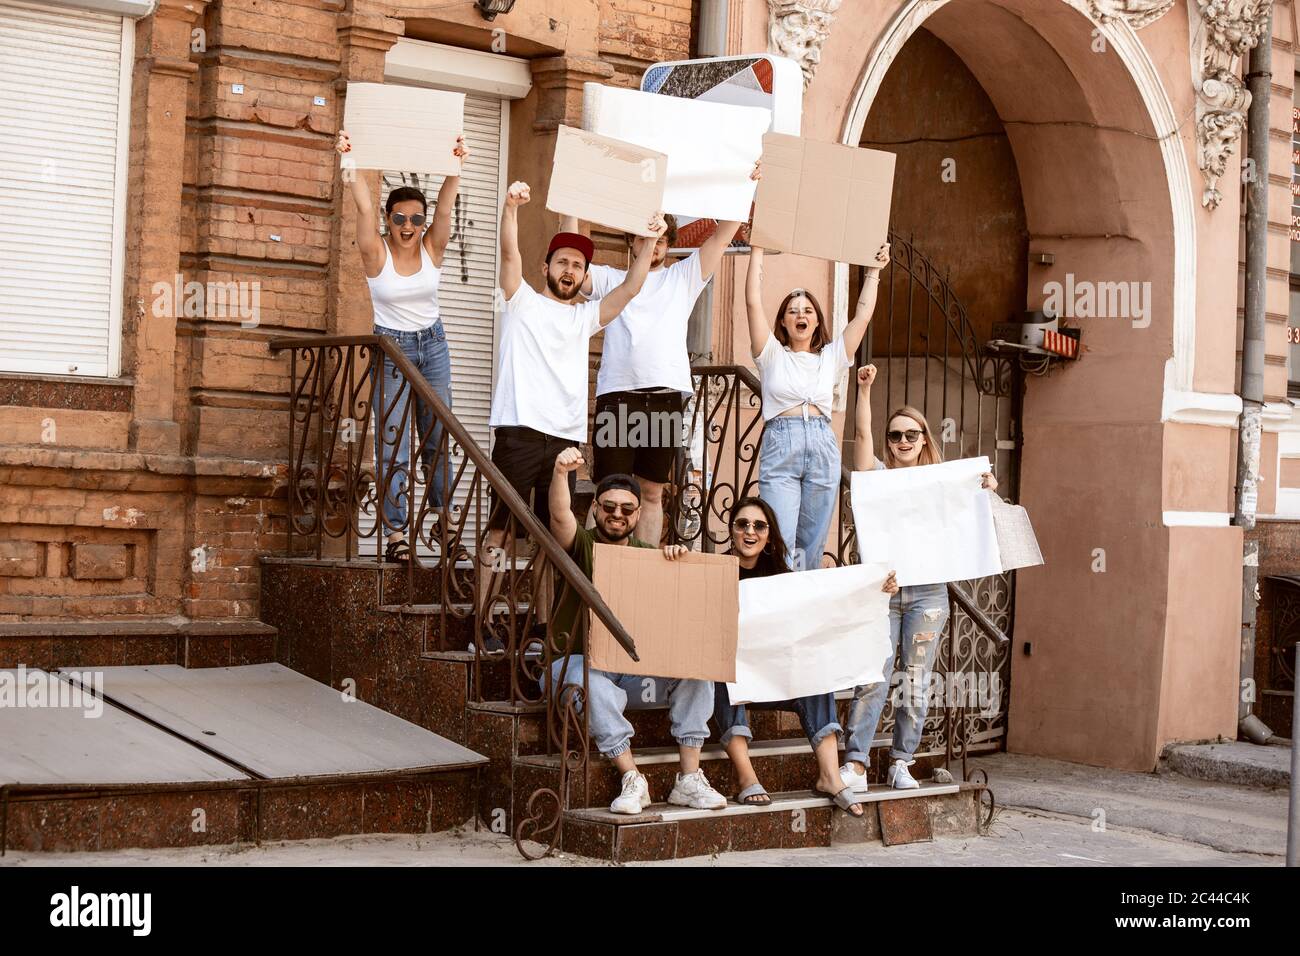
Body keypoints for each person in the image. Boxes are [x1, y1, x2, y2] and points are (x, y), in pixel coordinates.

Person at [479, 181, 665, 629]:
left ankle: (543, 626)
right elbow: (508, 256)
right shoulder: (521, 301)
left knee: (551, 538)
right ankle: (480, 621)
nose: (569, 269)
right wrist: (510, 209)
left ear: (584, 276)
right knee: (501, 531)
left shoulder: (585, 317)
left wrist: (652, 241)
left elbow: (631, 288)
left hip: (564, 443)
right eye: (562, 261)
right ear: (546, 266)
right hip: (519, 431)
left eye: (577, 265)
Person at [559, 163, 759, 547]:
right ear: (631, 241)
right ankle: (592, 567)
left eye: (664, 238)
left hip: (665, 398)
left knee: (652, 493)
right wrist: (572, 198)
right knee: (608, 491)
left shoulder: (682, 277)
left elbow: (722, 237)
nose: (655, 244)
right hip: (618, 396)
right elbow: (571, 264)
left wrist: (744, 186)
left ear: (669, 245)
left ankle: (641, 566)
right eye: (646, 236)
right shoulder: (609, 278)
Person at [681, 496, 894, 815]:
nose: (750, 531)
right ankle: (746, 776)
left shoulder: (784, 578)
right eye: (742, 524)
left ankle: (831, 777)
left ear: (768, 534)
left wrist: (876, 588)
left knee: (818, 675)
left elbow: (826, 611)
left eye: (759, 526)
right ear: (732, 530)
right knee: (719, 672)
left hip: (777, 680)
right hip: (736, 679)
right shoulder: (715, 572)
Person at [841, 365, 996, 791]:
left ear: (925, 438)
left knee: (915, 680)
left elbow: (977, 520)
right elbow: (861, 444)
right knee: (873, 674)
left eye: (911, 434)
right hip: (883, 592)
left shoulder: (944, 482)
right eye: (896, 435)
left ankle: (900, 761)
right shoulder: (877, 476)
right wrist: (864, 392)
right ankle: (855, 763)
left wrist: (986, 488)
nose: (903, 441)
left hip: (928, 593)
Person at [546, 448, 727, 814]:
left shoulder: (649, 553)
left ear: (638, 514)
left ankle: (689, 779)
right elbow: (560, 515)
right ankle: (632, 777)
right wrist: (560, 471)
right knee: (589, 681)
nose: (617, 514)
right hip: (575, 664)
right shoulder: (582, 544)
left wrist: (677, 564)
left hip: (630, 672)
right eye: (609, 507)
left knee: (697, 671)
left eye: (626, 509)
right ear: (596, 508)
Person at [336, 129, 467, 562]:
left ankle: (445, 526)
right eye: (399, 218)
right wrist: (350, 162)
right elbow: (361, 204)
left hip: (433, 346)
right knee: (392, 440)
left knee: (437, 437)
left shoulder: (433, 248)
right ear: (388, 220)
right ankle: (396, 537)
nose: (408, 227)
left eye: (415, 219)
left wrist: (455, 163)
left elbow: (447, 205)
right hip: (391, 351)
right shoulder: (376, 254)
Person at [743, 242, 890, 570]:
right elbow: (753, 300)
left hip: (823, 443)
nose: (801, 315)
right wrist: (756, 249)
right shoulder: (771, 354)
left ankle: (800, 615)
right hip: (782, 443)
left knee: (812, 545)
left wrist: (874, 271)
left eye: (807, 310)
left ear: (816, 320)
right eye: (793, 311)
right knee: (778, 538)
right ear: (782, 321)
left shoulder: (831, 357)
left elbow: (862, 316)